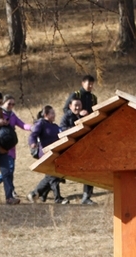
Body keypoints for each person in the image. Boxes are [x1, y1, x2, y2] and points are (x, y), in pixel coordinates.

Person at [63, 75, 98, 205]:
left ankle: (86, 196)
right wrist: (78, 115)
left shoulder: (93, 98)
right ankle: (39, 191)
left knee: (90, 164)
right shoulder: (76, 94)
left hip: (87, 134)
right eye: (88, 83)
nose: (90, 86)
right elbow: (66, 110)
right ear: (82, 83)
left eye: (92, 84)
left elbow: (96, 112)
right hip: (73, 133)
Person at [0, 96, 32, 197]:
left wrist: (33, 127)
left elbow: (22, 125)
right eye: (9, 103)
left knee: (11, 170)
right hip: (2, 145)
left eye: (13, 104)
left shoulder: (13, 115)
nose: (11, 106)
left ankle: (10, 190)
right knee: (9, 169)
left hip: (11, 145)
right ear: (3, 103)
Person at [26, 106, 65, 204]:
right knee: (53, 175)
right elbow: (33, 135)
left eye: (54, 113)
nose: (54, 115)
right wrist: (32, 143)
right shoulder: (41, 124)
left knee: (51, 176)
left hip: (55, 153)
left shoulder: (55, 126)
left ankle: (35, 194)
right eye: (52, 113)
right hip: (45, 154)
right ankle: (58, 198)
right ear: (45, 115)